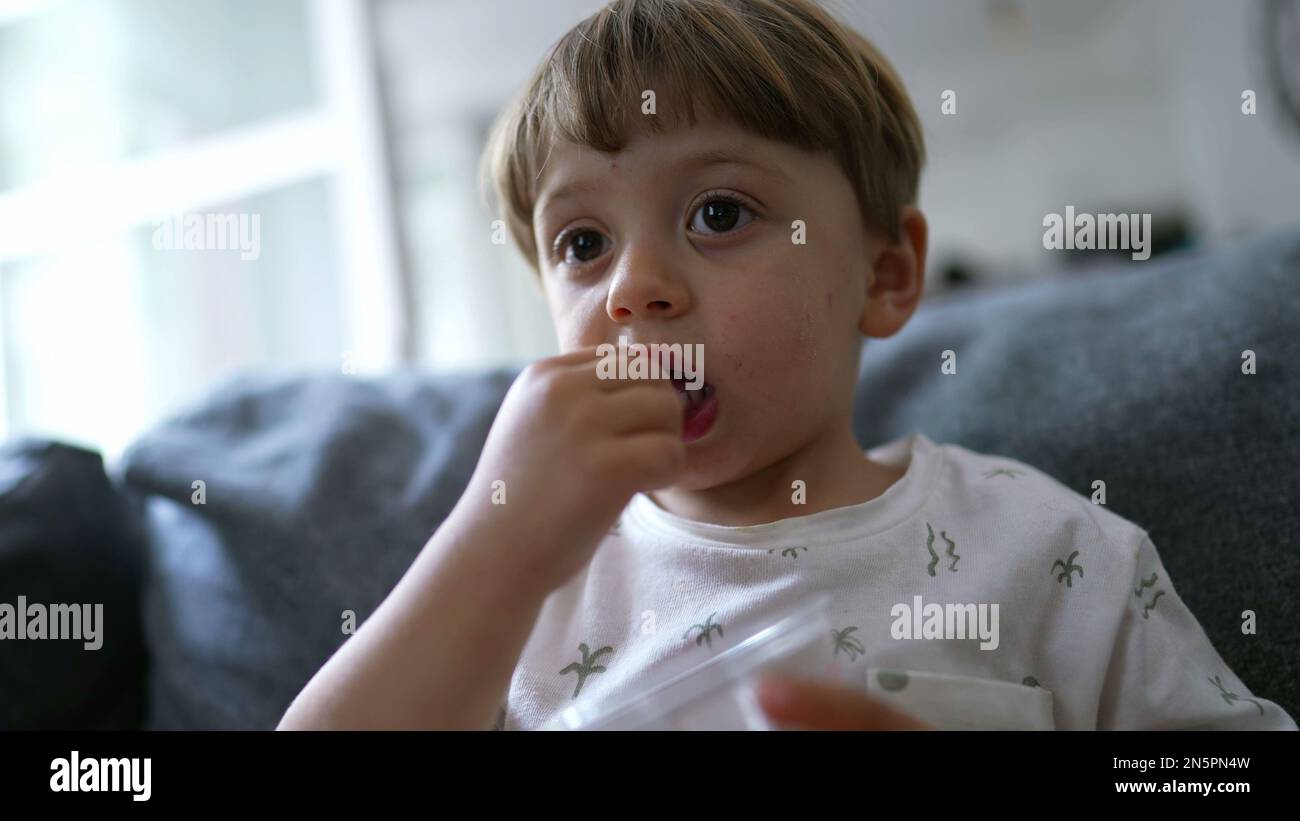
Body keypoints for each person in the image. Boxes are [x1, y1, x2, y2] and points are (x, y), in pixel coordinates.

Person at [277, 0, 1295, 731]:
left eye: (719, 213)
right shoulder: (519, 592)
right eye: (580, 244)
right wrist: (490, 541)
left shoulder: (1041, 544)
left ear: (885, 275)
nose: (632, 288)